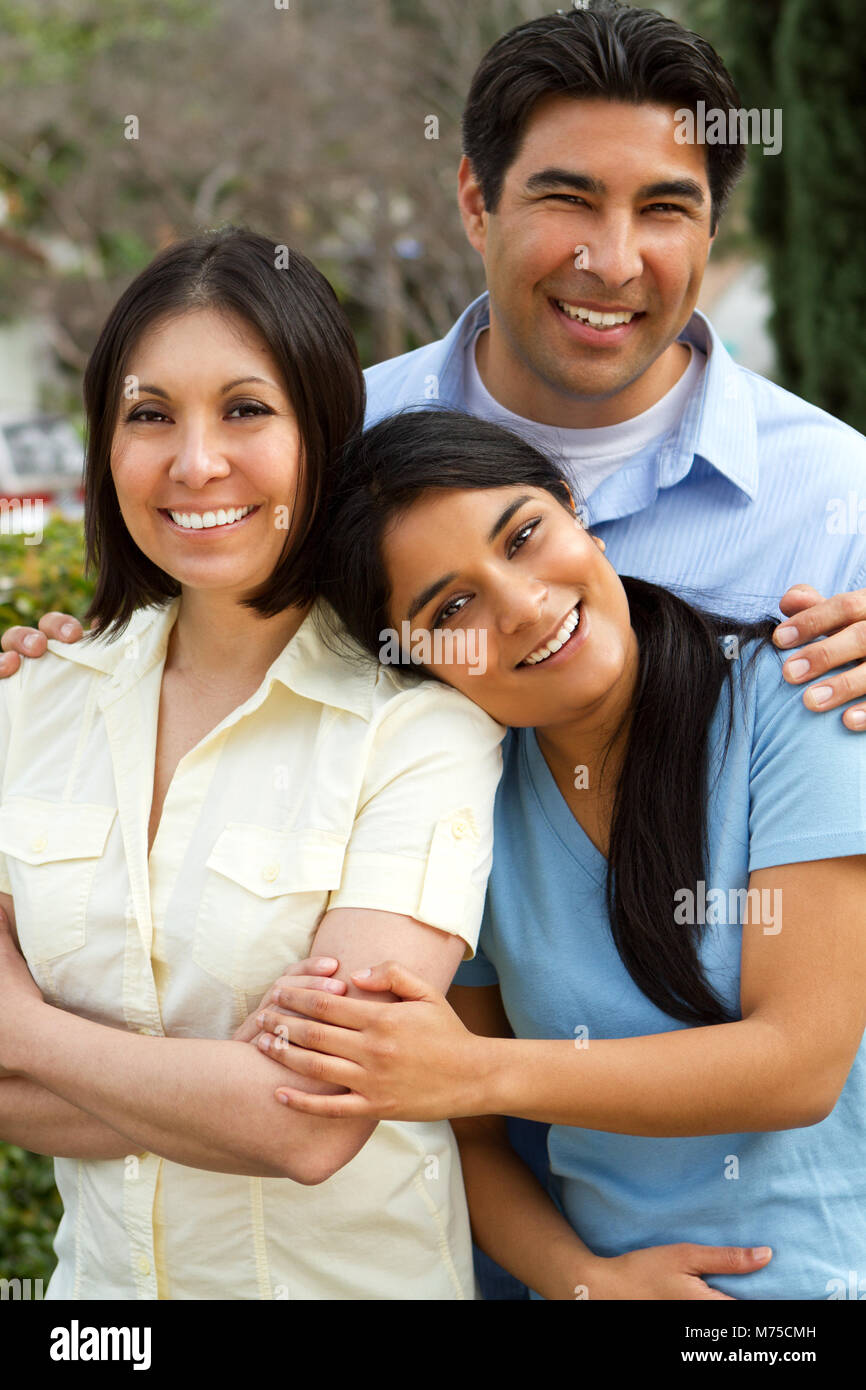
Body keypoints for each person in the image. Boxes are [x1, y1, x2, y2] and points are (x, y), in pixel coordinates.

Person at [246, 407, 866, 1301]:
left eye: (526, 535)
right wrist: (582, 1280)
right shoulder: (467, 804)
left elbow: (800, 1064)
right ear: (417, 662)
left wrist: (468, 1072)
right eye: (452, 607)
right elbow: (475, 1142)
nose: (525, 604)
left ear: (576, 511)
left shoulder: (798, 696)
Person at [0, 228, 508, 1300]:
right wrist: (213, 1088)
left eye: (244, 409)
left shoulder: (417, 728)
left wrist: (22, 1033)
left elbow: (311, 1125)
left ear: (320, 434)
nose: (195, 463)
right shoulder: (32, 698)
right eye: (149, 415)